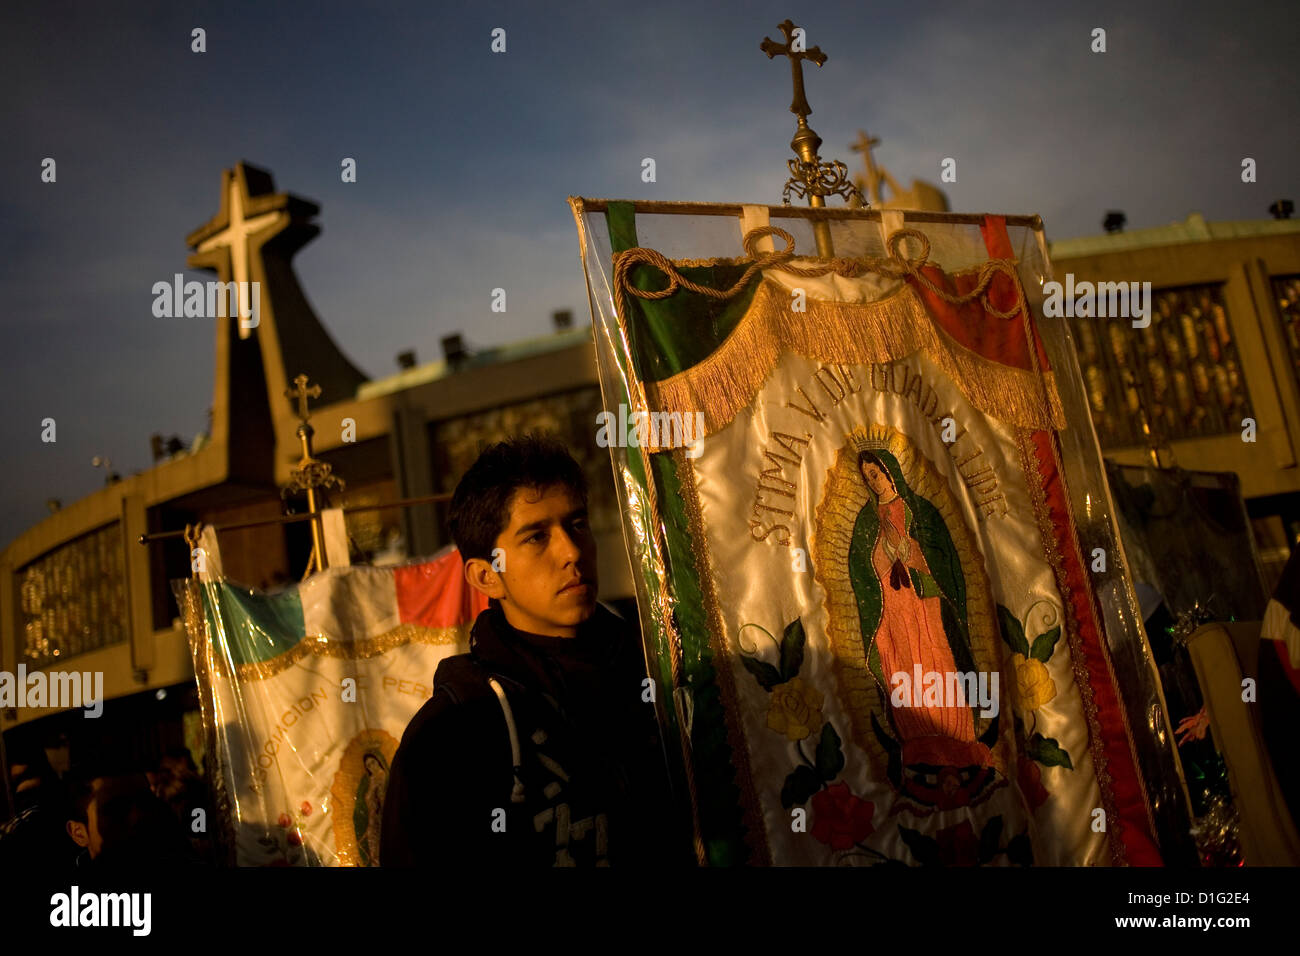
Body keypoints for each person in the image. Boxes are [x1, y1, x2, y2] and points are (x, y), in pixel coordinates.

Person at [381, 434, 687, 867]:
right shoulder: (453, 736)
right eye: (536, 537)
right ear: (486, 576)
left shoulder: (665, 667)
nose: (571, 551)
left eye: (577, 524)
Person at [850, 447, 994, 803]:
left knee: (937, 661)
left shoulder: (921, 510)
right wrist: (883, 554)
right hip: (890, 607)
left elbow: (943, 559)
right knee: (902, 665)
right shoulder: (867, 522)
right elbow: (861, 569)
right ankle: (916, 741)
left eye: (878, 473)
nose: (875, 480)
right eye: (869, 477)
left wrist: (912, 550)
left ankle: (958, 738)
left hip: (925, 603)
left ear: (891, 471)